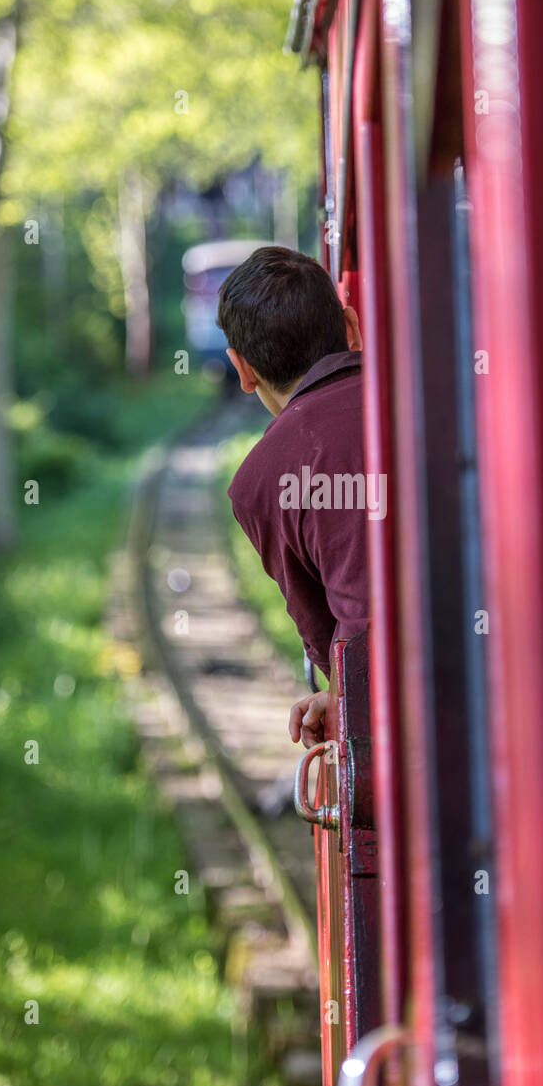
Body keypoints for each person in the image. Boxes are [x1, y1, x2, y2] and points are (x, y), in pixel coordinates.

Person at [217, 246, 370, 750]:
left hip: (393, 722)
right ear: (350, 327)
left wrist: (338, 693)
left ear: (243, 369)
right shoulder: (437, 389)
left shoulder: (258, 481)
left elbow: (337, 647)